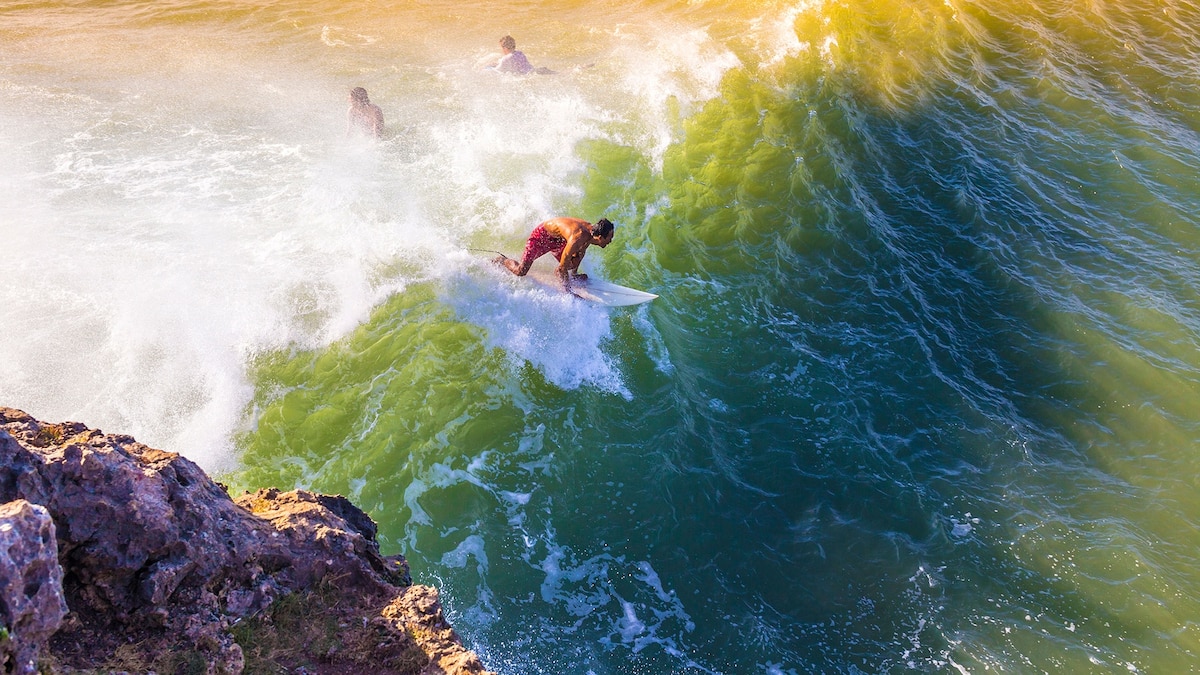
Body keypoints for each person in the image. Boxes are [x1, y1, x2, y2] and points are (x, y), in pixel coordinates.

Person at [495, 216, 615, 292]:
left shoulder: (590, 234)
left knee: (576, 258)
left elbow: (581, 252)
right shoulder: (578, 238)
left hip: (560, 239)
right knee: (521, 271)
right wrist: (568, 292)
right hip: (542, 237)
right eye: (610, 237)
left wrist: (574, 275)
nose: (610, 241)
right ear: (600, 237)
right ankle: (502, 260)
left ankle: (569, 275)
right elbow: (563, 267)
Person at [487, 35, 556, 75]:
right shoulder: (519, 53)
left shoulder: (506, 58)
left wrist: (489, 67)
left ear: (504, 48)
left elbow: (498, 70)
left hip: (527, 75)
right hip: (533, 70)